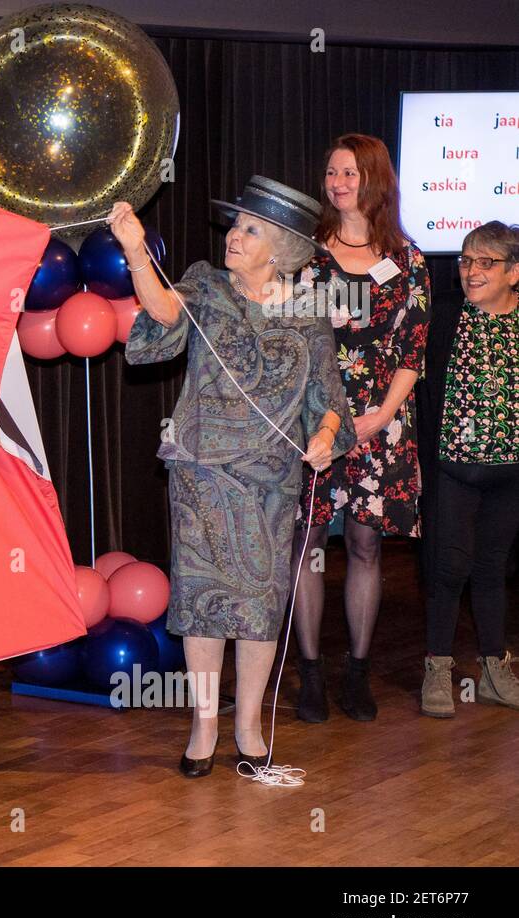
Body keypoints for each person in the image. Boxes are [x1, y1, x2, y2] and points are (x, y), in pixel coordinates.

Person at [113, 175, 355, 777]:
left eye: (251, 229)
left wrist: (324, 437)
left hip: (271, 483)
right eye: (236, 226)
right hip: (202, 472)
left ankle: (248, 727)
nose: (234, 237)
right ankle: (202, 727)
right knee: (201, 600)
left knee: (259, 606)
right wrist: (136, 251)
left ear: (279, 248)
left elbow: (329, 400)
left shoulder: (308, 313)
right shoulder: (204, 283)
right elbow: (164, 313)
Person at [291, 134, 430, 723]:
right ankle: (311, 676)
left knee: (368, 546)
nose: (338, 183)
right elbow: (288, 344)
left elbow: (413, 353)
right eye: (331, 173)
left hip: (382, 423)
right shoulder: (303, 255)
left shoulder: (408, 260)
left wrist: (377, 418)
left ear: (374, 180)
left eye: (349, 172)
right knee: (310, 545)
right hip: (313, 424)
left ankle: (357, 673)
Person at [417, 221, 519, 717]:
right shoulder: (443, 318)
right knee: (447, 566)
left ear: (514, 272)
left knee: (493, 567)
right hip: (453, 468)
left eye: (485, 262)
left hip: (511, 474)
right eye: (464, 260)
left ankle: (494, 668)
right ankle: (438, 666)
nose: (471, 271)